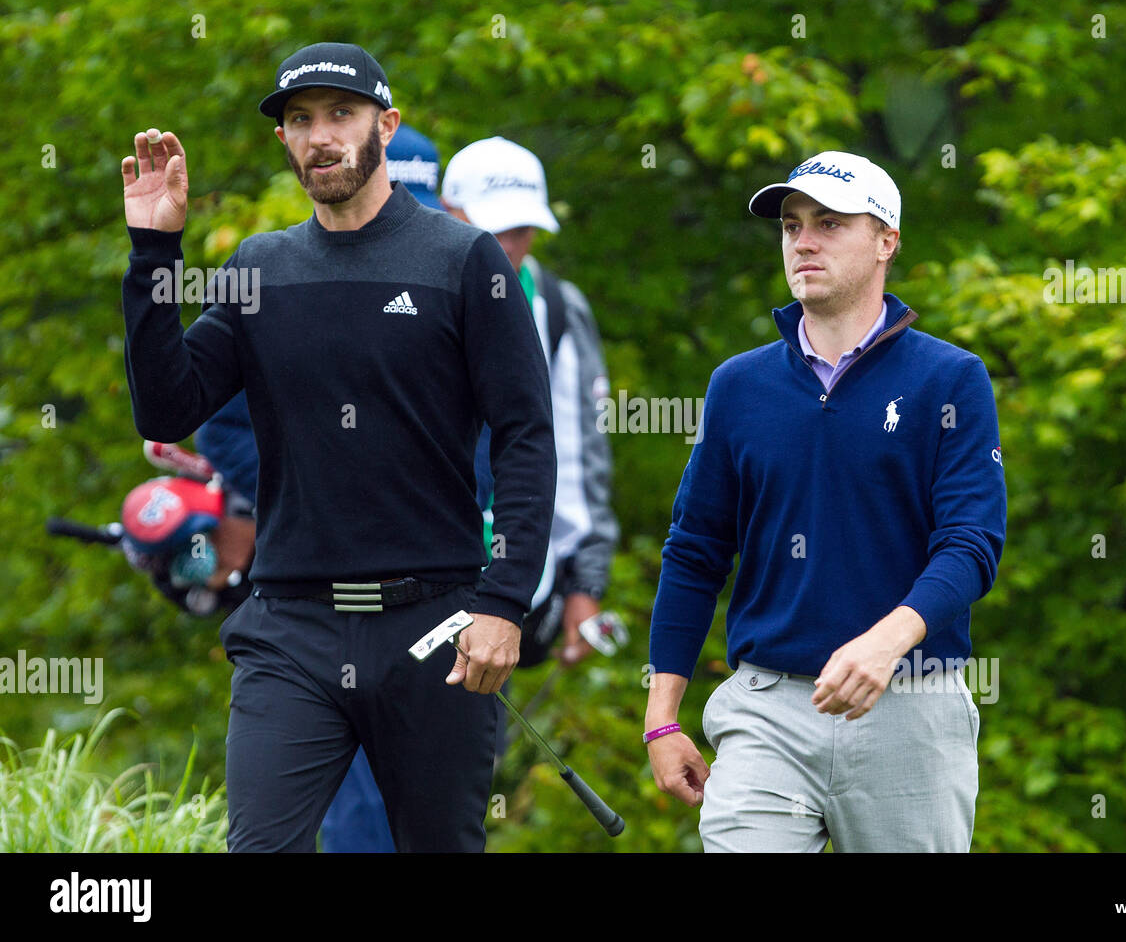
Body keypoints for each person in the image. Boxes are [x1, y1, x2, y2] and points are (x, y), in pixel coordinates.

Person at [119, 42, 556, 852]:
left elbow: (528, 434)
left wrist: (504, 604)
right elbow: (167, 405)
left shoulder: (464, 262)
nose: (320, 136)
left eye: (340, 115)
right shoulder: (260, 266)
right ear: (284, 140)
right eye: (300, 120)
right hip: (290, 629)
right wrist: (154, 255)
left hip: (436, 626)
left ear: (385, 125)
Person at [644, 150, 1007, 852]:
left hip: (911, 706)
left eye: (830, 223)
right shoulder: (738, 386)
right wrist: (662, 718)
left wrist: (888, 638)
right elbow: (693, 555)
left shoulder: (951, 380)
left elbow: (971, 545)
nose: (803, 241)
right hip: (765, 713)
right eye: (791, 224)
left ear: (885, 242)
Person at [440, 136, 618, 673]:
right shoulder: (395, 288)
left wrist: (585, 581)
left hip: (505, 574)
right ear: (449, 211)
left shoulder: (556, 306)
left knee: (470, 743)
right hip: (395, 565)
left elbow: (577, 447)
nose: (509, 246)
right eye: (495, 229)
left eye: (522, 229)